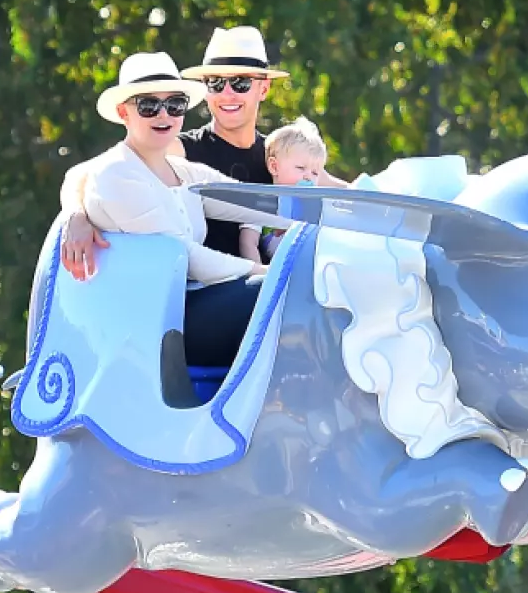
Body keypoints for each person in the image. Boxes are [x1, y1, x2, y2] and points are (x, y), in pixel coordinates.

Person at [58, 50, 290, 367]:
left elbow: (255, 203)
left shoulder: (183, 171)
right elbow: (185, 256)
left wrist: (322, 221)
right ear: (124, 113)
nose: (164, 115)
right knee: (282, 291)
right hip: (160, 328)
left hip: (195, 306)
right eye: (149, 105)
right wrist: (269, 270)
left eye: (174, 104)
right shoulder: (116, 174)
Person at [61, 25, 349, 280]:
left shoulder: (283, 157)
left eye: (240, 83)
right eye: (215, 83)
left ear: (263, 88)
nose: (227, 94)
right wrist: (75, 215)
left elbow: (344, 200)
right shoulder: (177, 149)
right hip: (207, 300)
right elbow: (85, 175)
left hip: (260, 295)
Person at [238, 116, 328, 265]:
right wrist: (261, 275)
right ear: (274, 166)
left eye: (315, 173)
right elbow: (248, 242)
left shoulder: (318, 204)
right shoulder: (262, 201)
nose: (308, 177)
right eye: (300, 168)